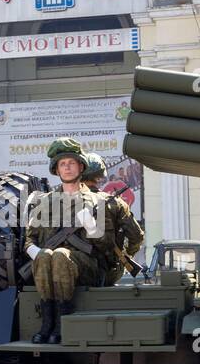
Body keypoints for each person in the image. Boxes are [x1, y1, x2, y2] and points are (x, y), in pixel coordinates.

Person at [25, 138, 108, 344]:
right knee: (47, 255)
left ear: (81, 167)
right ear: (56, 170)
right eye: (62, 164)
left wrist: (91, 227)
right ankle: (47, 324)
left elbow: (106, 247)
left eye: (71, 163)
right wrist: (37, 253)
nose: (67, 167)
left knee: (61, 255)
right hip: (50, 265)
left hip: (87, 267)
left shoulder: (98, 201)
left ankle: (62, 322)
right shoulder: (44, 202)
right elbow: (29, 240)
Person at [81, 152, 143, 285]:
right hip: (111, 271)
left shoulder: (67, 203)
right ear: (99, 177)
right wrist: (125, 255)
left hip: (75, 272)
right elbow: (136, 236)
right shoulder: (116, 203)